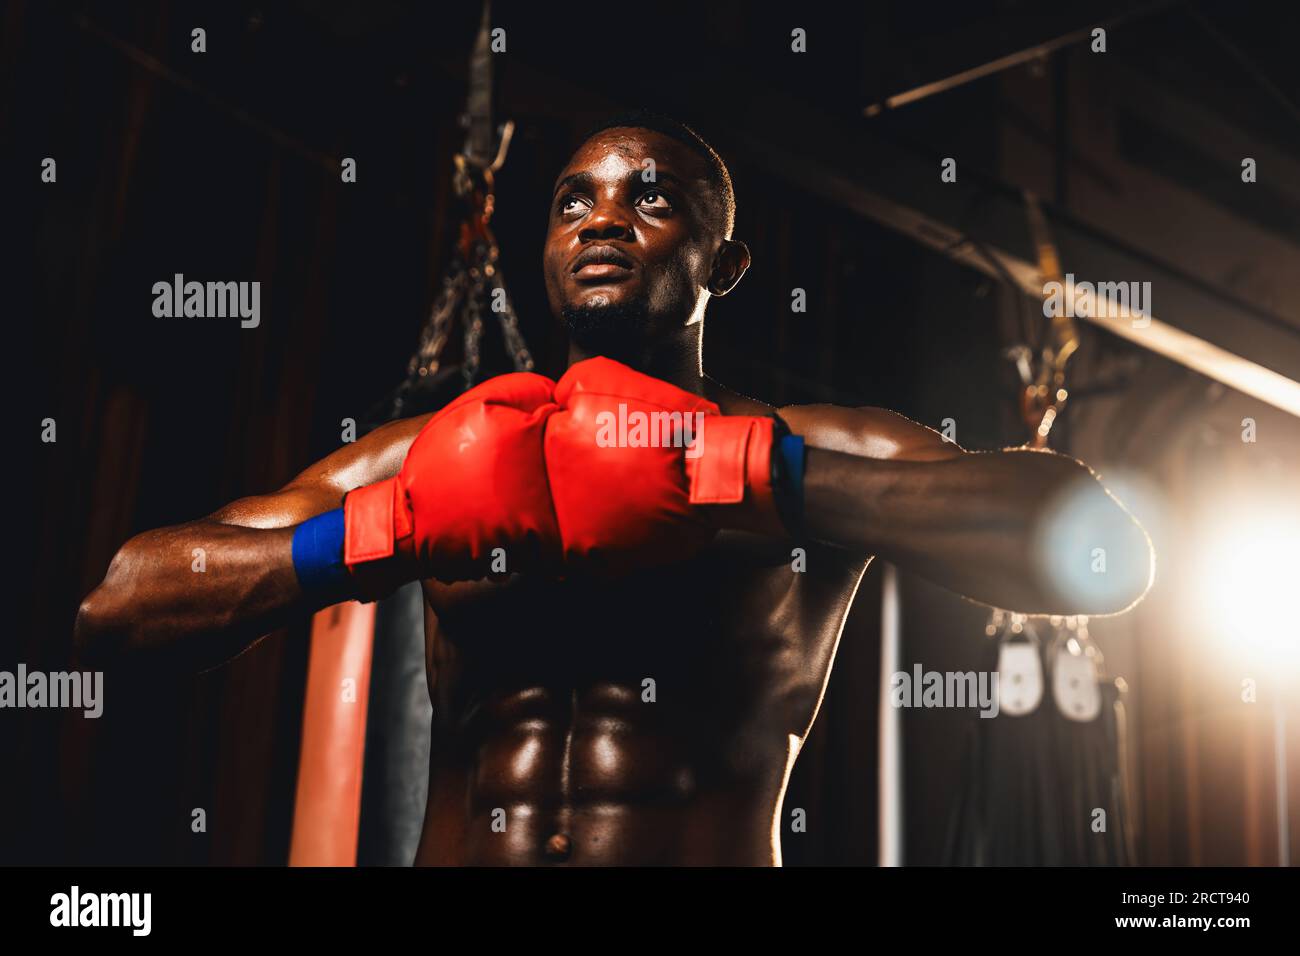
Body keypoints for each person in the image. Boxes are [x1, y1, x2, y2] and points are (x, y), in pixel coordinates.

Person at [75, 111, 1153, 865]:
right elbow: (120, 604)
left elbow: (1102, 550)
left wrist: (749, 475)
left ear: (723, 264)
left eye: (650, 198)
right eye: (571, 202)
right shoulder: (425, 458)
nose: (602, 219)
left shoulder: (807, 442)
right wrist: (383, 530)